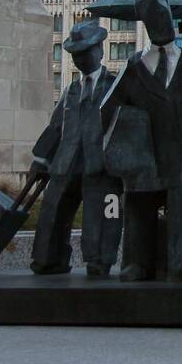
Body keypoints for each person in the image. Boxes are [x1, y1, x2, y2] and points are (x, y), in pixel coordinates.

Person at [100, 0, 182, 283]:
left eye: (164, 18)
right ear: (146, 25)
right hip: (146, 157)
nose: (161, 25)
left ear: (172, 20)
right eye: (153, 20)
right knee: (139, 209)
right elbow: (108, 108)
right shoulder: (134, 67)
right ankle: (136, 263)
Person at [29, 19, 121, 277]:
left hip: (100, 165)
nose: (80, 58)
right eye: (76, 54)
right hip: (65, 162)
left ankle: (99, 260)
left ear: (100, 51)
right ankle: (48, 259)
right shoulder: (71, 90)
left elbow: (124, 126)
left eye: (85, 52)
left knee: (104, 214)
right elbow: (55, 126)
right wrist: (41, 160)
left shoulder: (114, 87)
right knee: (52, 210)